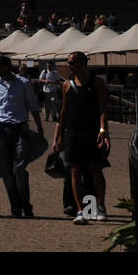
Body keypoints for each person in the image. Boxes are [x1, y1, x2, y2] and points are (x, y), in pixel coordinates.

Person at [54, 51, 110, 223]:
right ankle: (81, 211)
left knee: (95, 169)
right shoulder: (67, 85)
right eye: (69, 63)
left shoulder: (98, 83)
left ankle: (100, 205)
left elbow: (103, 109)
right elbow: (64, 112)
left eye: (72, 63)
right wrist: (59, 136)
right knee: (75, 170)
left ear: (83, 63)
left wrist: (103, 130)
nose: (69, 66)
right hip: (73, 132)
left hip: (92, 132)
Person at [0, 54, 42, 218]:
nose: (1, 74)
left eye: (3, 70)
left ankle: (26, 205)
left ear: (9, 68)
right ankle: (15, 207)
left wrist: (40, 128)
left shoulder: (23, 83)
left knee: (19, 169)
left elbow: (33, 107)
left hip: (20, 129)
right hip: (2, 130)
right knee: (6, 171)